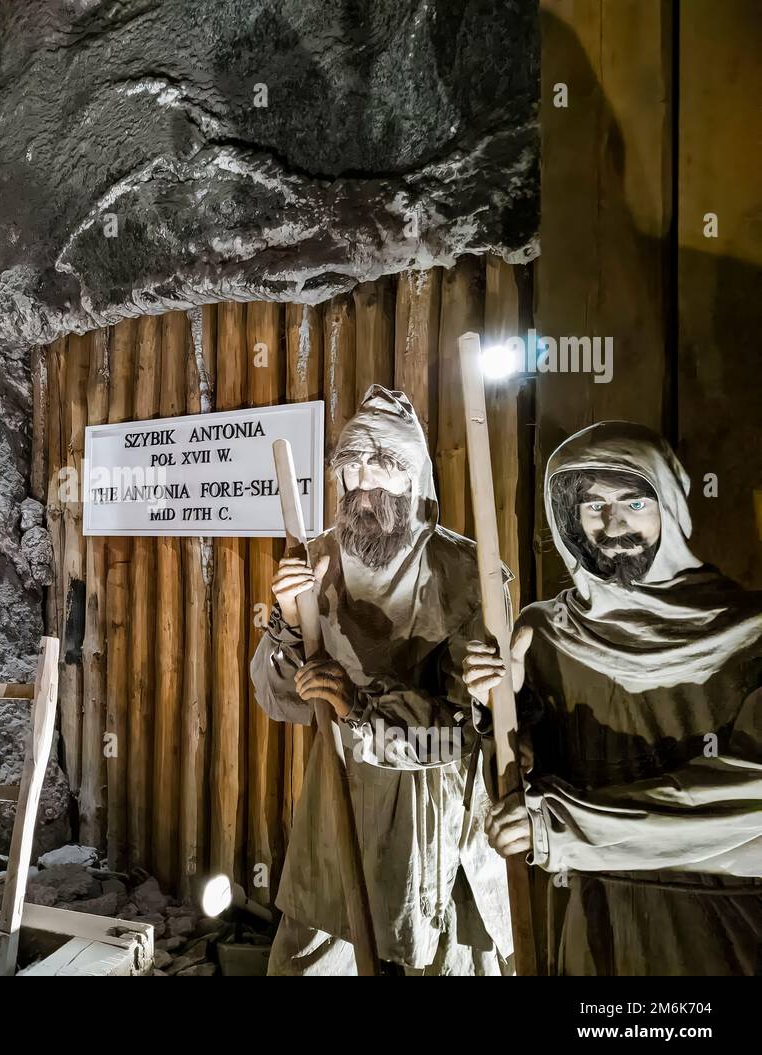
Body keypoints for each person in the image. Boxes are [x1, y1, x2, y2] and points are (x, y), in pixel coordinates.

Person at [464, 421, 762, 975]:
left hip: (721, 923)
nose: (613, 522)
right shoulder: (545, 634)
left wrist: (567, 828)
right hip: (593, 916)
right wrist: (500, 710)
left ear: (669, 504)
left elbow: (750, 800)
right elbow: (519, 786)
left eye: (634, 501)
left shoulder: (750, 630)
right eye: (592, 506)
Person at [252, 385, 512, 975]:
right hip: (339, 795)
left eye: (383, 464)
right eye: (352, 465)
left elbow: (464, 730)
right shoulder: (316, 557)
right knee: (312, 956)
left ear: (413, 476)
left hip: (436, 815)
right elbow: (279, 700)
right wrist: (291, 627)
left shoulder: (467, 574)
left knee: (440, 957)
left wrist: (360, 709)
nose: (364, 481)